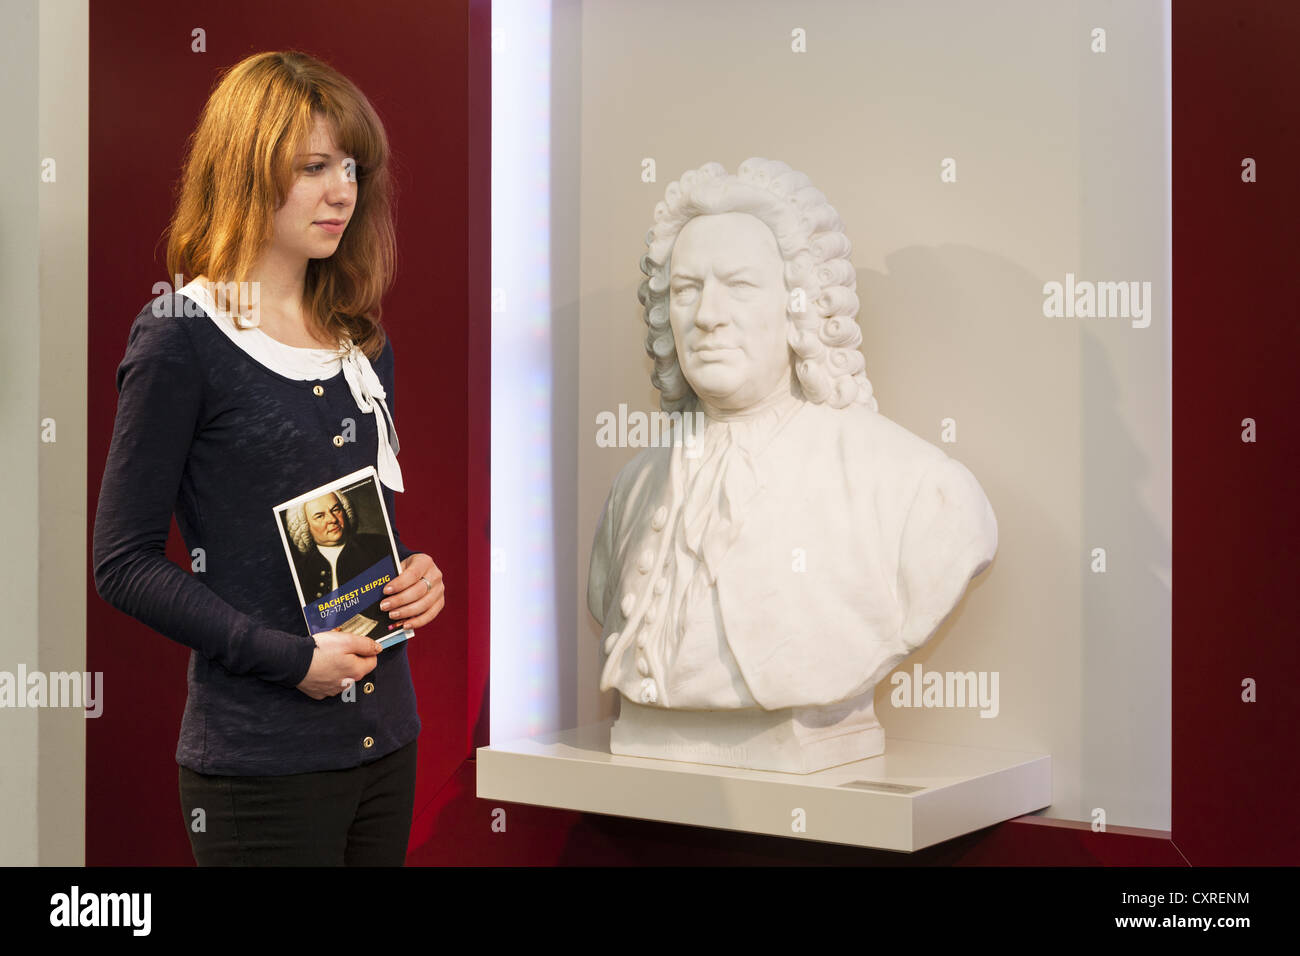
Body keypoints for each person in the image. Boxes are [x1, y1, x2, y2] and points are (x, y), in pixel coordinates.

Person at [92, 51, 445, 866]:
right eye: (313, 167)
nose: (342, 191)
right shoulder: (181, 339)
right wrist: (292, 662)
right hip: (263, 768)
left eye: (351, 167)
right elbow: (124, 564)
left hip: (387, 740)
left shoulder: (359, 338)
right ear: (245, 172)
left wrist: (416, 574)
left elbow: (359, 533)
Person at [588, 159, 997, 720]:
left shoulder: (914, 487)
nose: (708, 315)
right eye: (686, 290)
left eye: (740, 286)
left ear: (799, 305)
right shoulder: (633, 490)